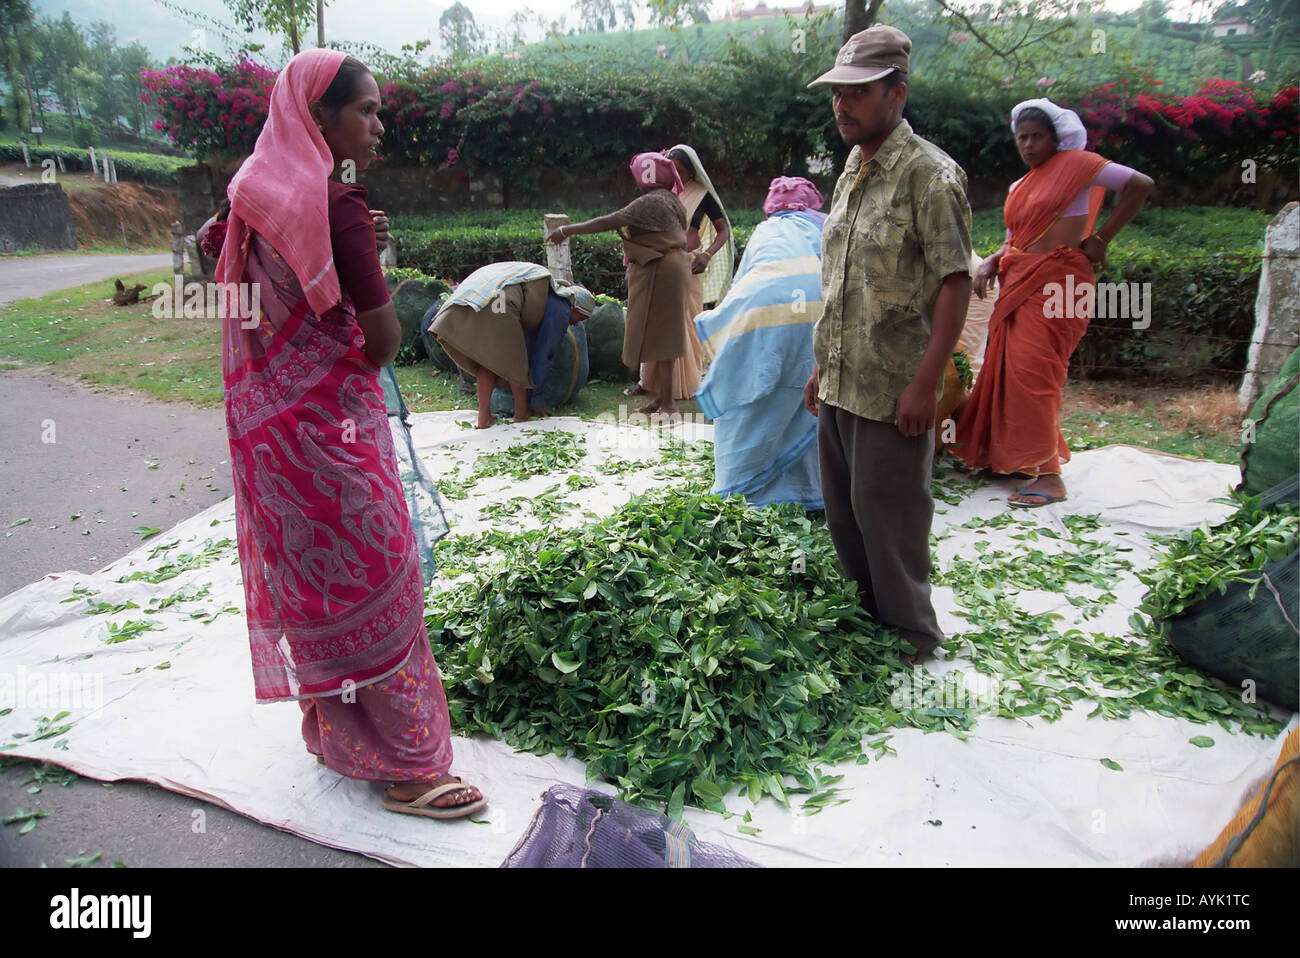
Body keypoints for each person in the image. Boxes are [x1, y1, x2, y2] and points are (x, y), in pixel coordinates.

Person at [216, 49, 485, 820]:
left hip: (273, 440)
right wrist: (365, 251)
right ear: (319, 116)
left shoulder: (254, 195)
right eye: (365, 111)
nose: (378, 125)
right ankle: (410, 765)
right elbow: (382, 342)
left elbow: (238, 284)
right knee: (376, 575)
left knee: (315, 575)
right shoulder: (335, 208)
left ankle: (339, 733)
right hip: (332, 435)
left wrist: (355, 240)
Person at [802, 25, 974, 665]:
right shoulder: (852, 169)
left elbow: (955, 283)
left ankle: (913, 637)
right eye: (836, 94)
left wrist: (926, 384)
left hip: (897, 383)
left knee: (892, 513)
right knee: (845, 510)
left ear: (896, 94)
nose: (842, 105)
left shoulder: (929, 176)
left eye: (857, 93)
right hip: (845, 376)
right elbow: (842, 280)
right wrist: (822, 366)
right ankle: (865, 621)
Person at [952, 99, 1153, 507]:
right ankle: (1011, 458)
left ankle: (1049, 476)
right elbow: (1015, 239)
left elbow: (1140, 185)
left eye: (1036, 136)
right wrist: (992, 261)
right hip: (1020, 281)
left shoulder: (1080, 165)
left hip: (1061, 284)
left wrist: (1103, 238)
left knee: (1035, 374)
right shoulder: (1019, 186)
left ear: (1055, 137)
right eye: (1021, 137)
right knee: (1007, 371)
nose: (1027, 144)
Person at [695, 176, 827, 508]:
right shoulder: (822, 227)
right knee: (807, 396)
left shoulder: (765, 231)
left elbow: (746, 283)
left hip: (766, 309)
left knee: (751, 390)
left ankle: (740, 485)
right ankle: (807, 493)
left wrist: (728, 329)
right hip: (816, 309)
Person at [545, 152, 692, 416]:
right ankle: (662, 398)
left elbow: (606, 222)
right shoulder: (671, 199)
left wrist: (565, 231)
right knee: (659, 337)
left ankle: (668, 403)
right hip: (669, 267)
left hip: (664, 270)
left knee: (665, 337)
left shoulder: (647, 203)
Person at [427, 262, 595, 428]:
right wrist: (537, 397)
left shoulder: (548, 292)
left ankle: (484, 417)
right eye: (580, 318)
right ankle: (522, 414)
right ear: (574, 307)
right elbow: (544, 354)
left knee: (489, 361)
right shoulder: (561, 310)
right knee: (516, 360)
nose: (575, 324)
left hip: (484, 293)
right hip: (501, 304)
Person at [629, 144, 735, 401]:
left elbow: (723, 231)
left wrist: (707, 255)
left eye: (679, 170)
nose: (675, 175)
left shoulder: (701, 195)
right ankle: (649, 381)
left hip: (688, 267)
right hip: (658, 265)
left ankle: (686, 383)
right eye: (671, 169)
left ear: (690, 172)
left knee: (685, 322)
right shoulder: (659, 194)